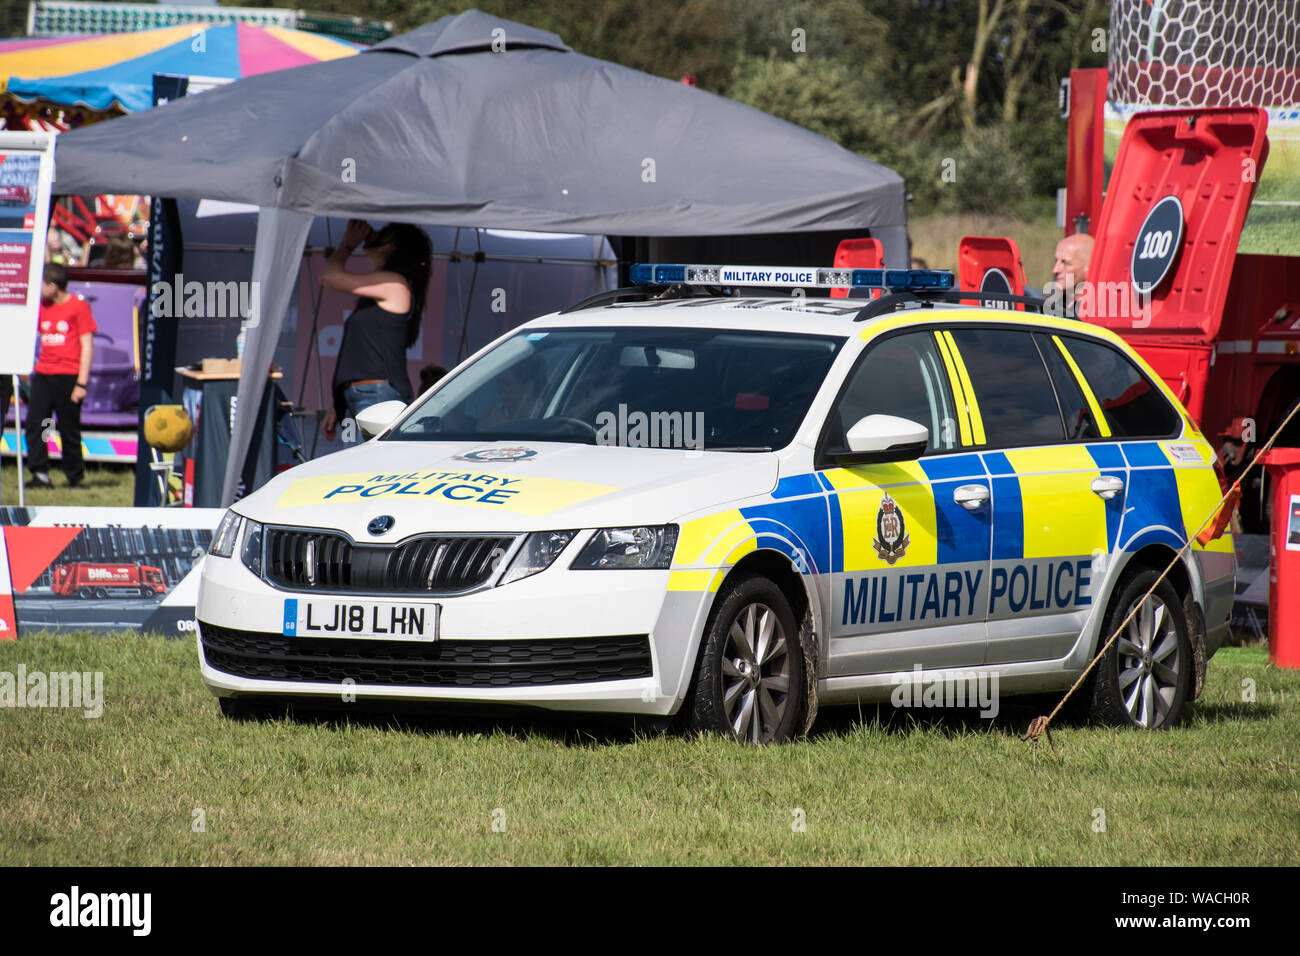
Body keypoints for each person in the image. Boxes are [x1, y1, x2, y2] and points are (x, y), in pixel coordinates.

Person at [320, 220, 432, 443]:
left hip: (377, 395)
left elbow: (330, 277)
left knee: (368, 471)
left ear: (396, 246)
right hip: (362, 394)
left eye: (384, 233)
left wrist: (348, 244)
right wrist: (338, 402)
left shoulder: (396, 284)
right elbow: (362, 350)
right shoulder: (384, 290)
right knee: (358, 470)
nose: (374, 234)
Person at [27, 261, 95, 488]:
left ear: (53, 286)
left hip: (69, 377)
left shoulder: (78, 307)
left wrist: (81, 383)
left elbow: (87, 345)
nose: (40, 289)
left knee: (69, 428)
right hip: (44, 375)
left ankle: (74, 476)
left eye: (43, 284)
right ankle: (40, 473)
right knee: (40, 424)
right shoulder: (42, 307)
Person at [1051, 232, 1095, 316]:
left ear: (1089, 267)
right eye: (1056, 261)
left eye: (1065, 263)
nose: (1055, 270)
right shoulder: (1054, 308)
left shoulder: (1099, 313)